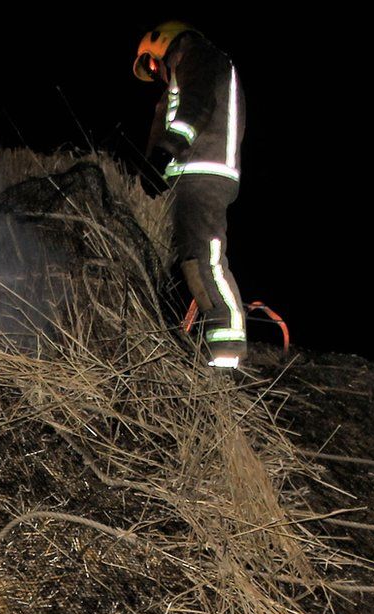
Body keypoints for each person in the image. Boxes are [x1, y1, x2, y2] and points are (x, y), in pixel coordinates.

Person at [134, 21, 248, 370]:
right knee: (190, 262)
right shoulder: (188, 69)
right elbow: (172, 114)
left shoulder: (200, 56)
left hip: (205, 174)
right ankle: (201, 342)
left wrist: (166, 150)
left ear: (165, 42)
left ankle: (226, 353)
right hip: (190, 175)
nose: (157, 73)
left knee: (205, 259)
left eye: (154, 64)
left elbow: (196, 106)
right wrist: (154, 166)